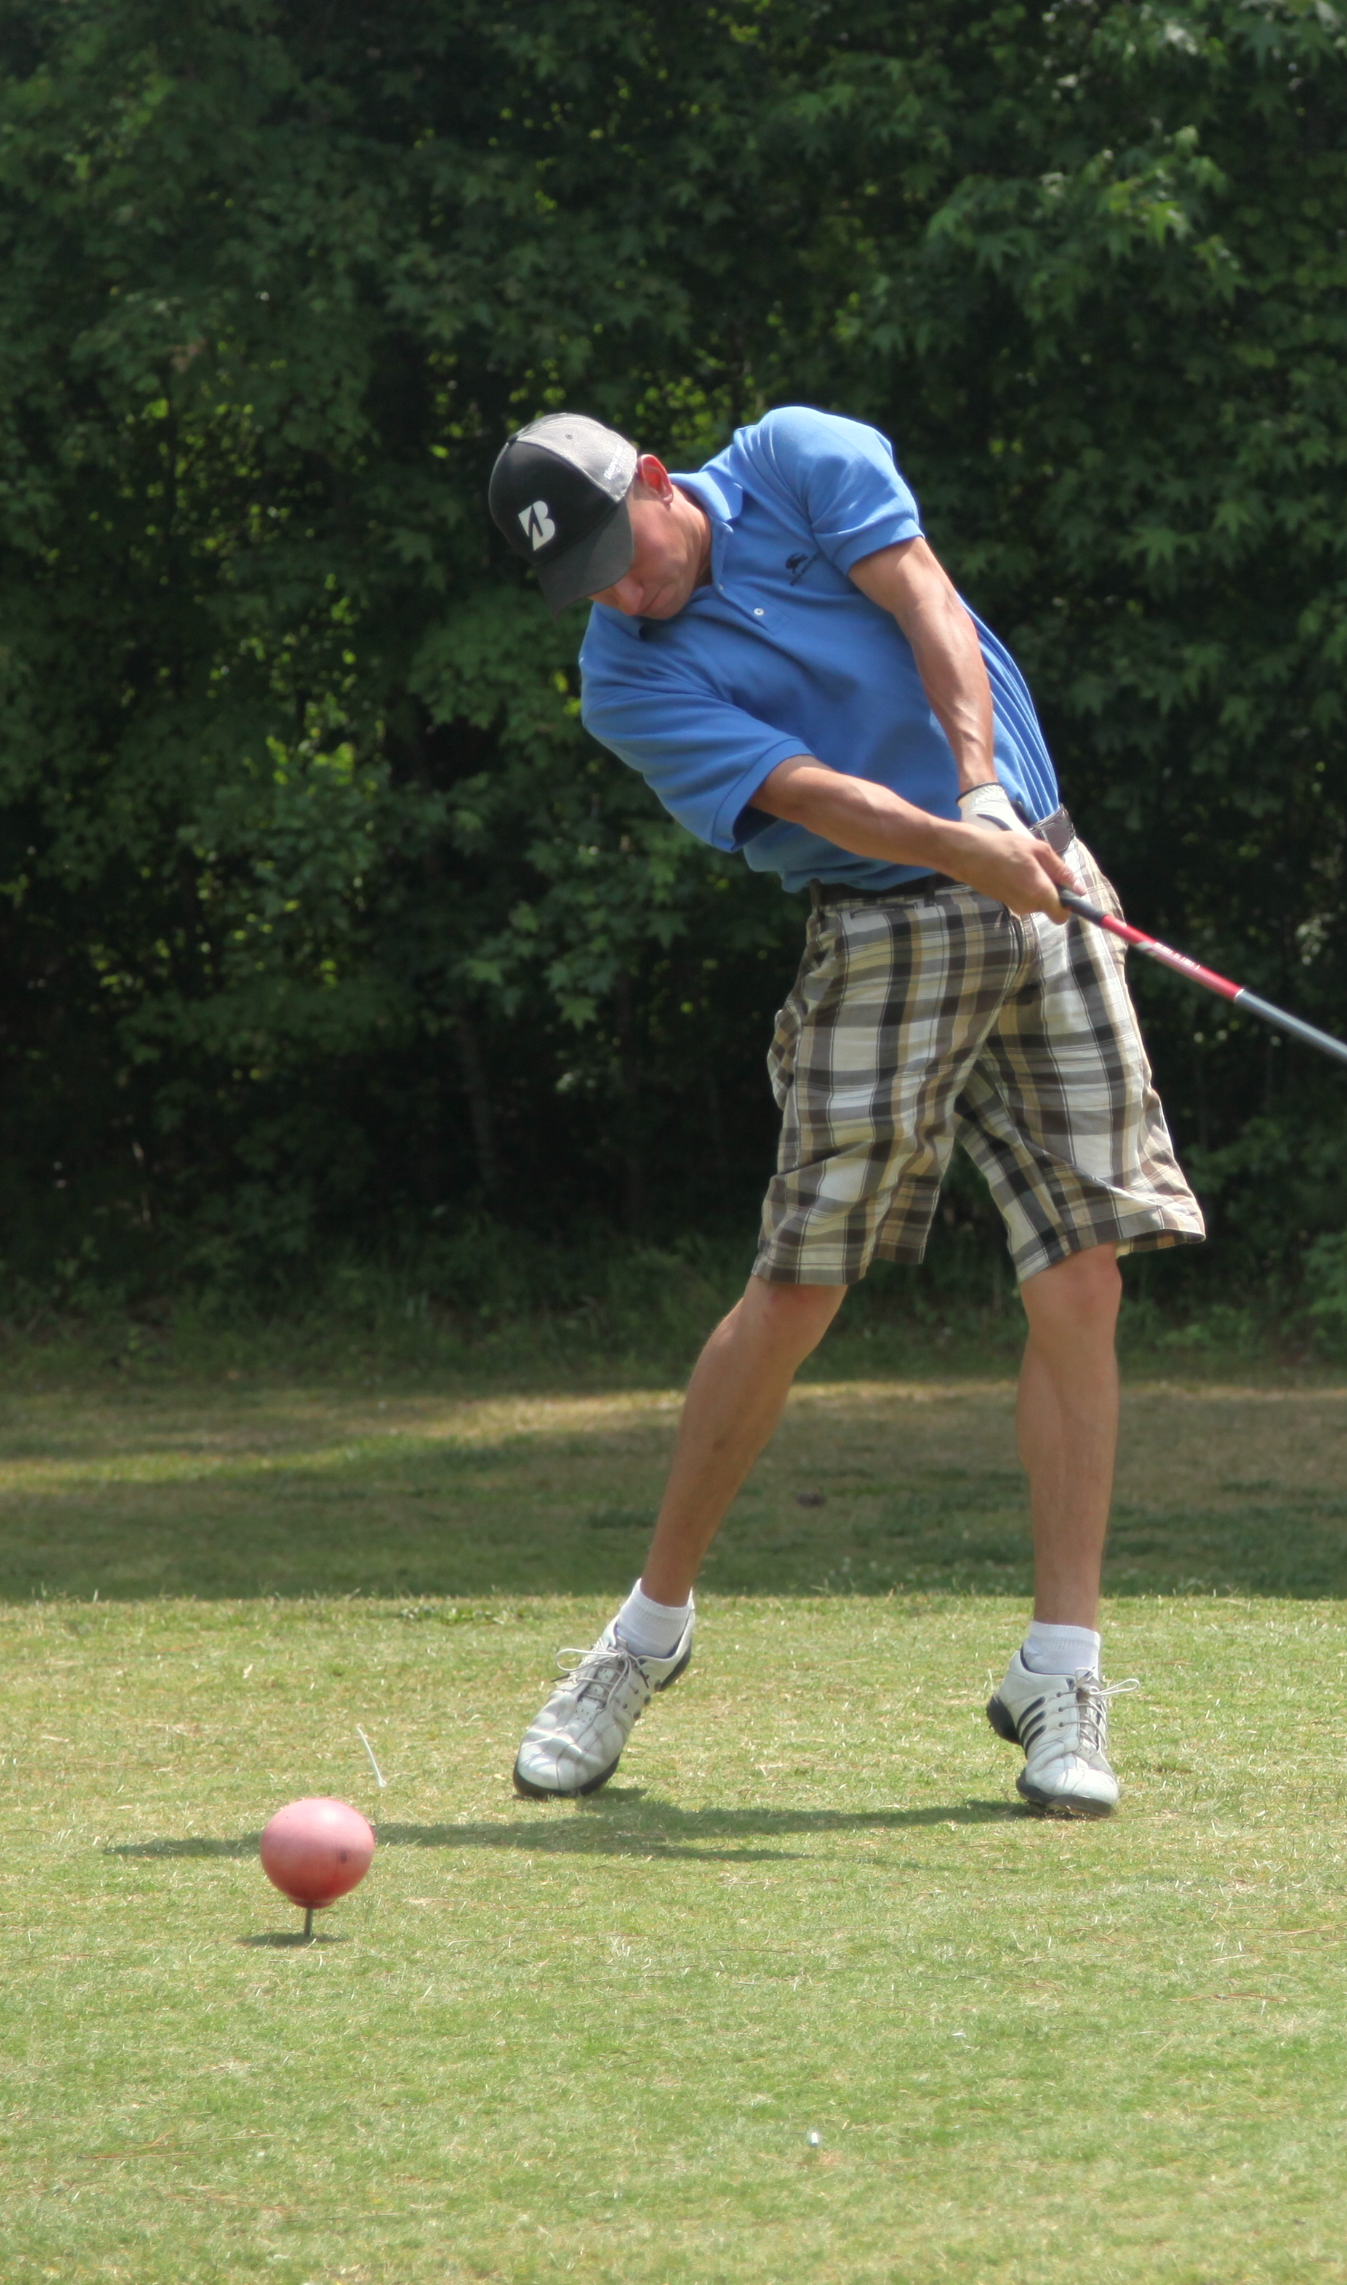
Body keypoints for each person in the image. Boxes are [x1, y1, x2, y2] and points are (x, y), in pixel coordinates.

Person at [481, 406, 1205, 1818]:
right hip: (883, 935)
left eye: (624, 556)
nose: (624, 595)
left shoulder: (800, 460)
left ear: (652, 481)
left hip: (1045, 880)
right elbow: (807, 792)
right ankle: (647, 1634)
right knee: (798, 1285)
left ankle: (1060, 1671)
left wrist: (985, 795)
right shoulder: (623, 681)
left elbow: (928, 601)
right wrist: (955, 846)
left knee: (1082, 1276)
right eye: (588, 587)